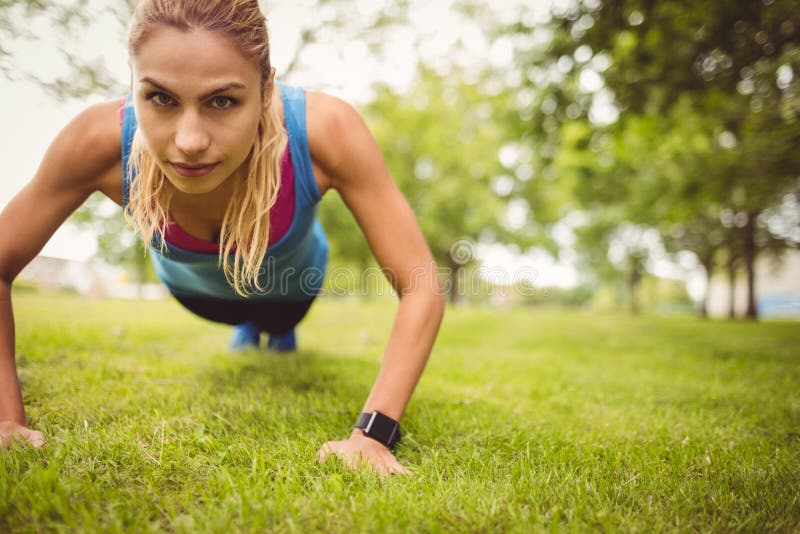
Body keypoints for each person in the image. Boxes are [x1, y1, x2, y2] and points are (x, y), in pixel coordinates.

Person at [0, 0, 445, 476]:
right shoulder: (97, 141)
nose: (190, 140)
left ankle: (271, 330)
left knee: (275, 321)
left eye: (222, 100)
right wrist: (7, 420)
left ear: (265, 86)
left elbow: (421, 283)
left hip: (290, 294)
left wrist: (372, 434)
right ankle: (247, 328)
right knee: (244, 322)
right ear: (134, 85)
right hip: (201, 297)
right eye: (161, 98)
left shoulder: (325, 129)